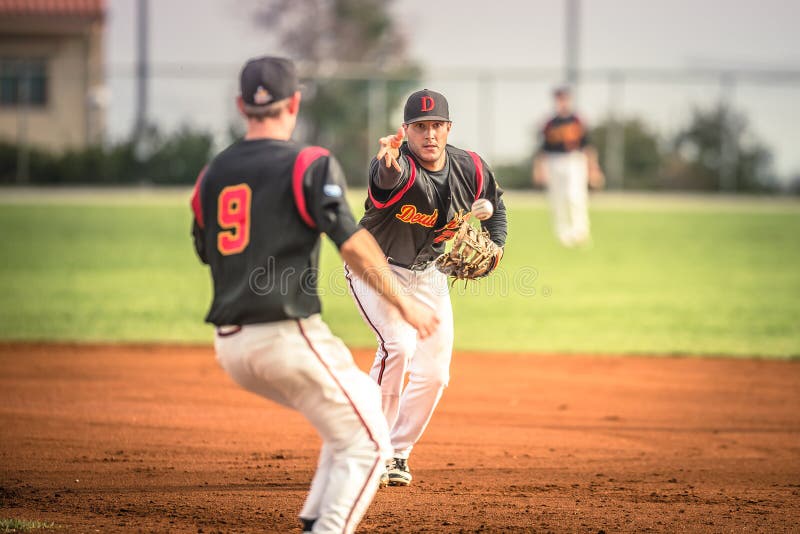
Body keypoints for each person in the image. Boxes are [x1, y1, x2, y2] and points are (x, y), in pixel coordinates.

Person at [190, 57, 439, 534]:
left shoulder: (213, 172)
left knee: (361, 402)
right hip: (287, 335)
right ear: (296, 103)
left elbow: (207, 251)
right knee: (371, 446)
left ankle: (311, 521)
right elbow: (350, 241)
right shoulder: (308, 162)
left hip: (230, 343)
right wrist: (404, 302)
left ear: (242, 105)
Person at [346, 89, 508, 487]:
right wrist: (387, 162)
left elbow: (495, 205)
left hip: (428, 274)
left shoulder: (470, 167)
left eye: (436, 126)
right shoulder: (395, 165)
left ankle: (397, 453)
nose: (429, 134)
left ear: (448, 129)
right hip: (376, 268)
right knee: (397, 347)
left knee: (435, 373)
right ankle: (370, 449)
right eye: (420, 127)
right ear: (406, 131)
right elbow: (385, 179)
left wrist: (498, 246)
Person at [532, 86, 604, 247]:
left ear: (568, 100)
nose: (561, 103)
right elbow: (542, 149)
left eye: (563, 99)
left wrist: (593, 168)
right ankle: (563, 234)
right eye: (558, 99)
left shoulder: (577, 121)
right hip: (554, 161)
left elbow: (587, 146)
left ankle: (580, 232)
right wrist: (539, 169)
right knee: (557, 199)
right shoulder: (550, 123)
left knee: (575, 196)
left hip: (574, 160)